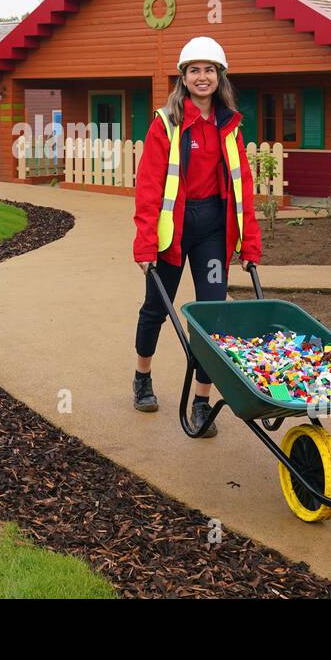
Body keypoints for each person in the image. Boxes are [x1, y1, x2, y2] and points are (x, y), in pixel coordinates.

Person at [131, 36, 262, 436]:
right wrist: (146, 241)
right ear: (183, 78)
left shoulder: (230, 125)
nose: (202, 77)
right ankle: (142, 377)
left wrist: (248, 242)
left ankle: (202, 402)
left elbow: (243, 187)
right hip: (174, 229)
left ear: (219, 76)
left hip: (212, 228)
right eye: (194, 70)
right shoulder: (166, 123)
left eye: (209, 70)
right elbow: (149, 184)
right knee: (157, 305)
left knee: (211, 315)